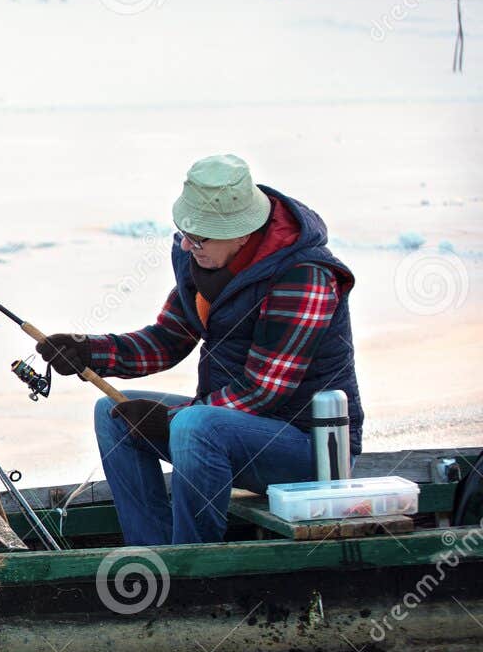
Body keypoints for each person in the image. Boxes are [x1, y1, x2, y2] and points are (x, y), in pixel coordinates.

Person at [38, 154, 363, 546]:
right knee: (112, 412)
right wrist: (90, 352)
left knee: (195, 425)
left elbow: (263, 390)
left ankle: (193, 560)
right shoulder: (202, 260)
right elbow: (168, 339)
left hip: (309, 450)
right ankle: (152, 553)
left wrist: (172, 419)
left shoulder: (304, 277)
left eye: (201, 237)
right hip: (228, 428)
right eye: (185, 233)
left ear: (243, 233)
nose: (188, 245)